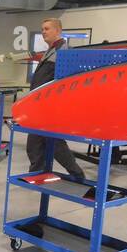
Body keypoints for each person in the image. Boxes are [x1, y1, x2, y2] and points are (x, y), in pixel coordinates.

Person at [25, 17, 87, 180]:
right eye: (43, 28)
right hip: (38, 106)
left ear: (58, 31)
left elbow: (64, 83)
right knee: (34, 144)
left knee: (55, 145)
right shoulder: (51, 50)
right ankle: (36, 175)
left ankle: (77, 174)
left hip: (49, 107)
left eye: (47, 29)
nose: (43, 32)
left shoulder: (64, 52)